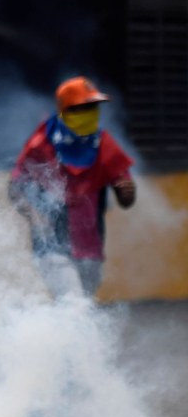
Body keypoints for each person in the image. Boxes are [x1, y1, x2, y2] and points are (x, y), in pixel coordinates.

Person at [8, 76, 136, 299]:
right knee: (74, 305)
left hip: (90, 250)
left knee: (79, 309)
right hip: (52, 246)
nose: (91, 113)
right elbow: (15, 188)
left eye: (93, 107)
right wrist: (33, 213)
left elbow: (125, 194)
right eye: (84, 107)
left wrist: (127, 191)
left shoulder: (102, 143)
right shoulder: (42, 144)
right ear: (66, 111)